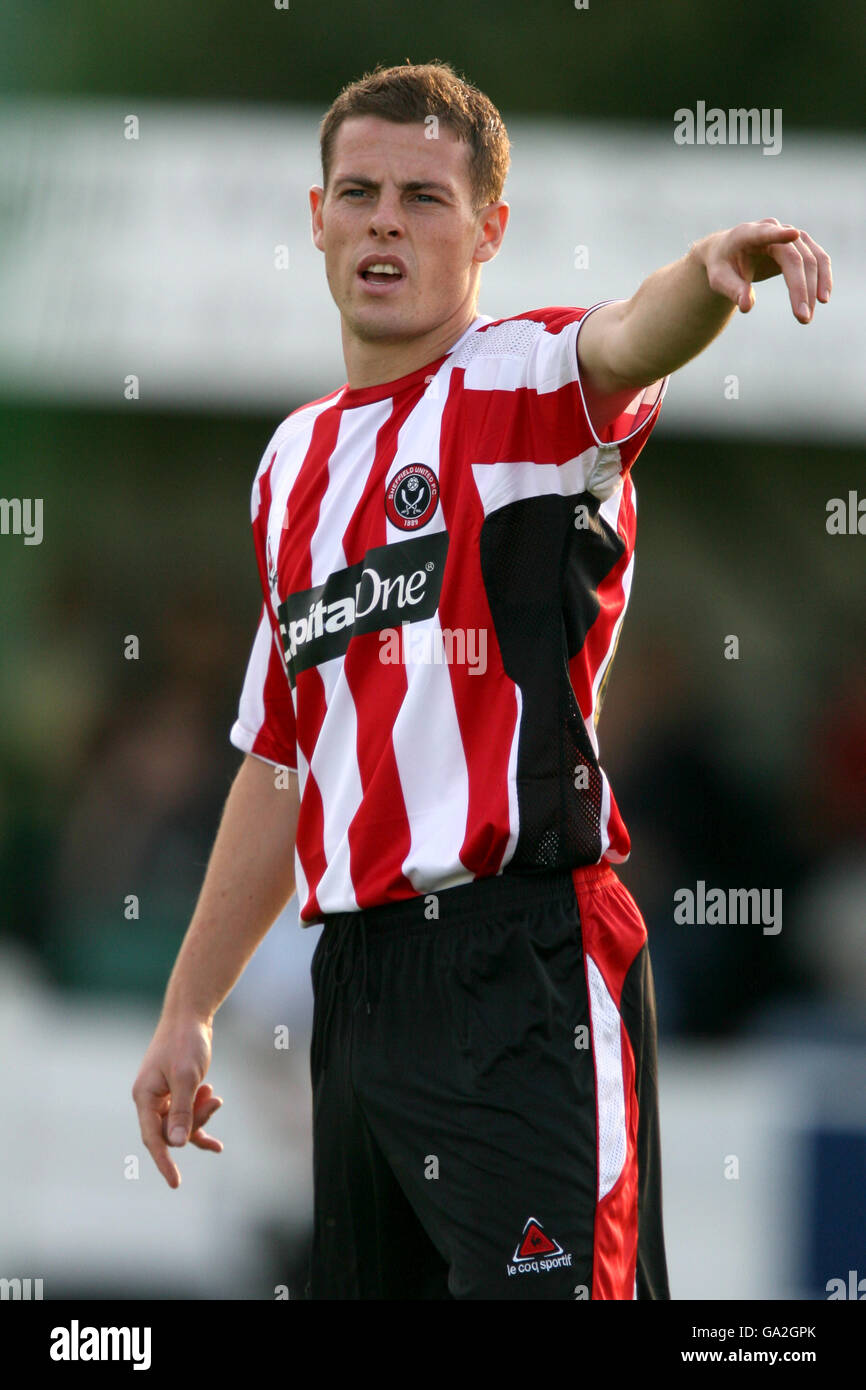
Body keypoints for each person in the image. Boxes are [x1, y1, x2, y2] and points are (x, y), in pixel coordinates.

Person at [131, 60, 831, 1300]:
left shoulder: (525, 381)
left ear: (488, 231)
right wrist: (187, 1007)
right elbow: (282, 753)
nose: (385, 219)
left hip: (523, 964)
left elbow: (628, 332)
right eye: (358, 191)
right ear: (317, 217)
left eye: (423, 196)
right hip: (357, 988)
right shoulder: (291, 463)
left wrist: (711, 272)